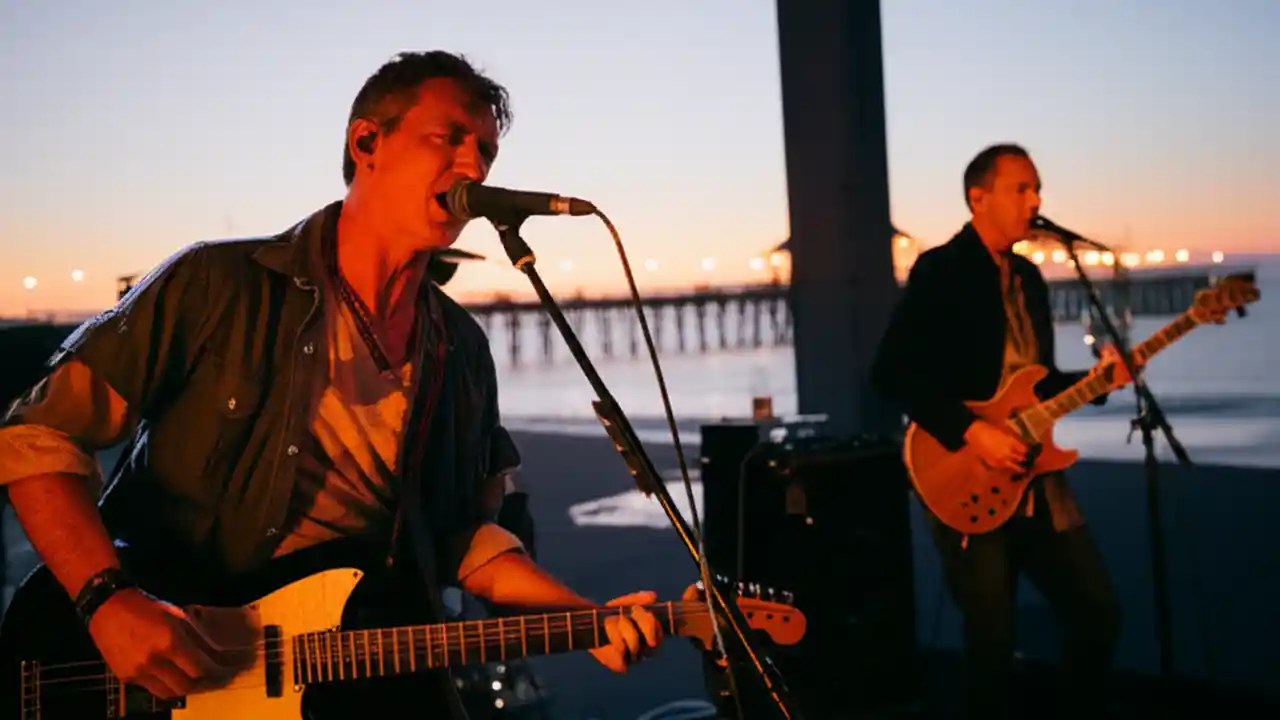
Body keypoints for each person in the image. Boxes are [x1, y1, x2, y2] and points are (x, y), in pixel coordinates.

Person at [0, 50, 662, 718]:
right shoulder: (217, 285)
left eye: (486, 150)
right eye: (451, 137)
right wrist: (106, 600)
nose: (474, 167)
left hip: (355, 675)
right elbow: (38, 434)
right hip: (168, 665)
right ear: (366, 141)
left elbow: (467, 539)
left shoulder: (460, 347)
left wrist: (587, 618)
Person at [870, 143, 1138, 719]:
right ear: (978, 197)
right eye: (1022, 188)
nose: (1037, 200)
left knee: (1097, 611)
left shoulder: (1030, 279)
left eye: (1038, 189)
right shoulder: (941, 269)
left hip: (1038, 482)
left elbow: (1034, 386)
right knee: (991, 643)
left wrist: (1098, 381)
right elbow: (890, 373)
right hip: (969, 476)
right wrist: (973, 432)